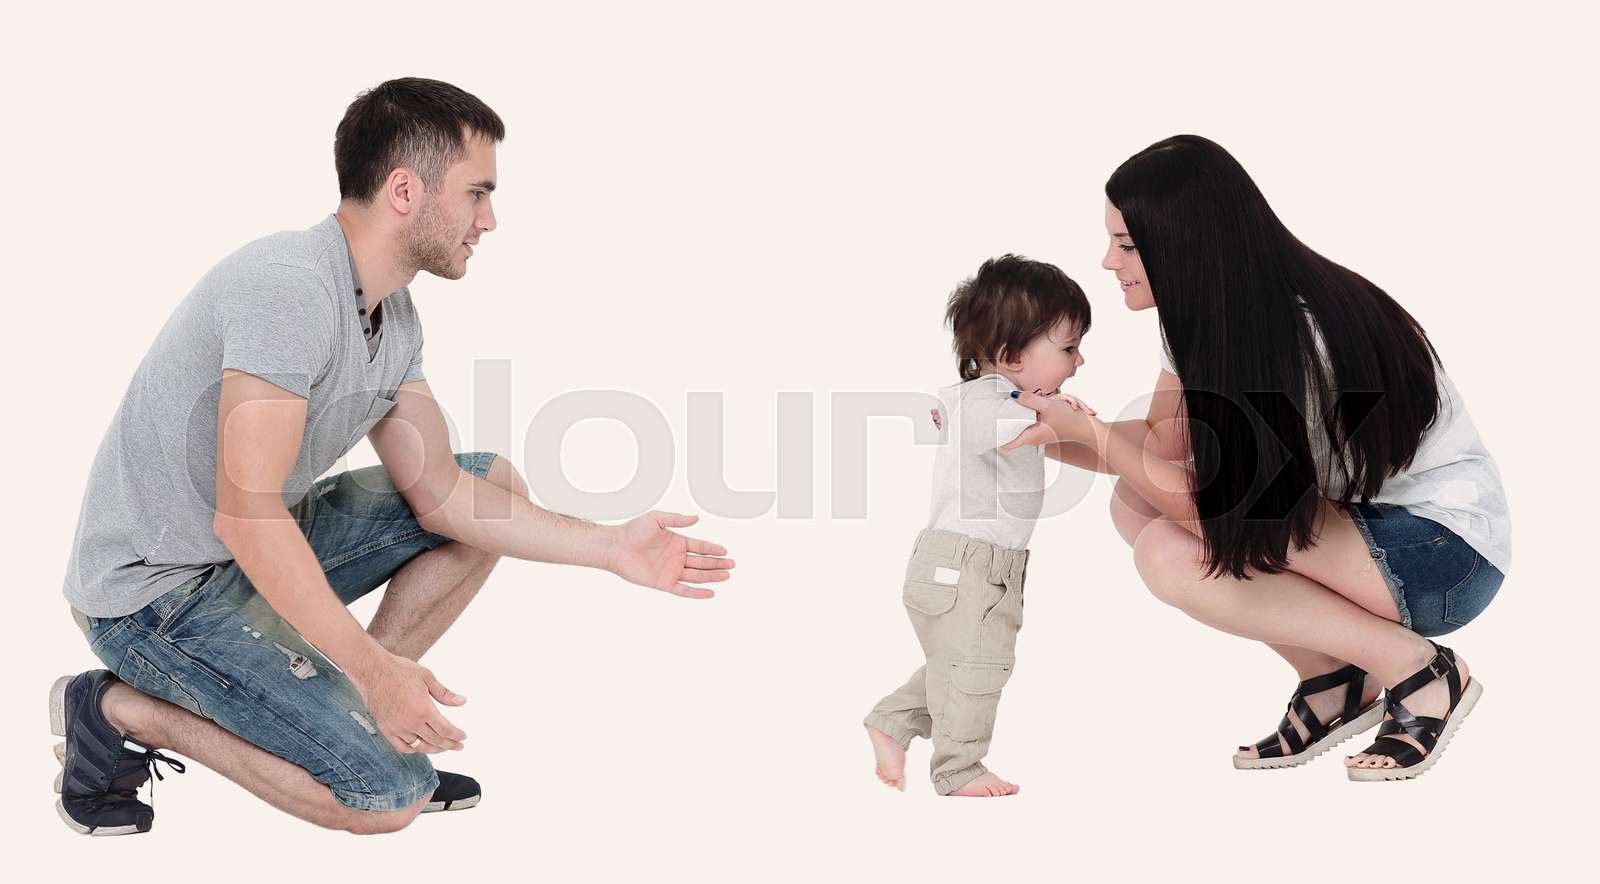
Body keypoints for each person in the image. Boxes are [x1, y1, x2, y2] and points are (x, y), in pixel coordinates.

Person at [53, 77, 736, 836]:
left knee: (493, 485)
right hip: (154, 594)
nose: (490, 219)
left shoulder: (393, 315)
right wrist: (375, 673)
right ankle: (117, 708)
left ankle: (346, 712)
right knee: (387, 799)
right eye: (477, 193)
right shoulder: (285, 289)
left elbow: (444, 493)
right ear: (405, 190)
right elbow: (246, 516)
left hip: (242, 553)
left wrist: (609, 546)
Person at [1006, 135, 1509, 781]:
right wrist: (1042, 427)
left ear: (1187, 243)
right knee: (1137, 499)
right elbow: (1165, 445)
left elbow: (1222, 506)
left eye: (1128, 245)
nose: (1107, 261)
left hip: (1441, 558)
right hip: (1355, 534)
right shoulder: (1201, 316)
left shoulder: (1300, 330)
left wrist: (1093, 436)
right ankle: (1334, 678)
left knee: (1166, 547)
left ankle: (1420, 670)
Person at [864, 255, 1093, 797]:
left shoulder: (990, 398)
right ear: (1012, 355)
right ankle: (958, 768)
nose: (1079, 360)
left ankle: (893, 721)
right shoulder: (987, 404)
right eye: (1067, 348)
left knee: (958, 664)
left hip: (963, 567)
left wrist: (1047, 403)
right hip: (969, 568)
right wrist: (1057, 413)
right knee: (977, 668)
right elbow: (1021, 430)